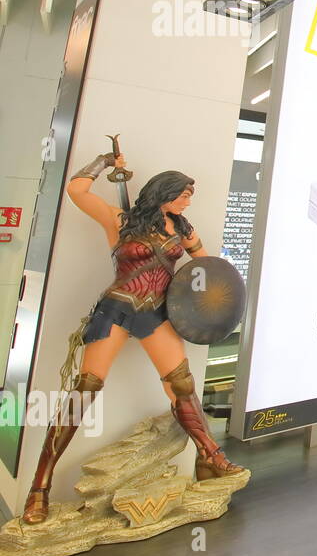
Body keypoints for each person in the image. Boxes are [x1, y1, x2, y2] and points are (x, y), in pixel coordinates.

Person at [22, 149, 244, 525]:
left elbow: (207, 270)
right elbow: (77, 191)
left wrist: (214, 299)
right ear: (164, 192)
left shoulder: (184, 230)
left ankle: (211, 457)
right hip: (117, 309)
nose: (188, 200)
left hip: (155, 313)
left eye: (191, 195)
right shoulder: (120, 220)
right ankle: (39, 487)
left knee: (182, 387)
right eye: (184, 193)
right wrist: (104, 162)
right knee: (86, 388)